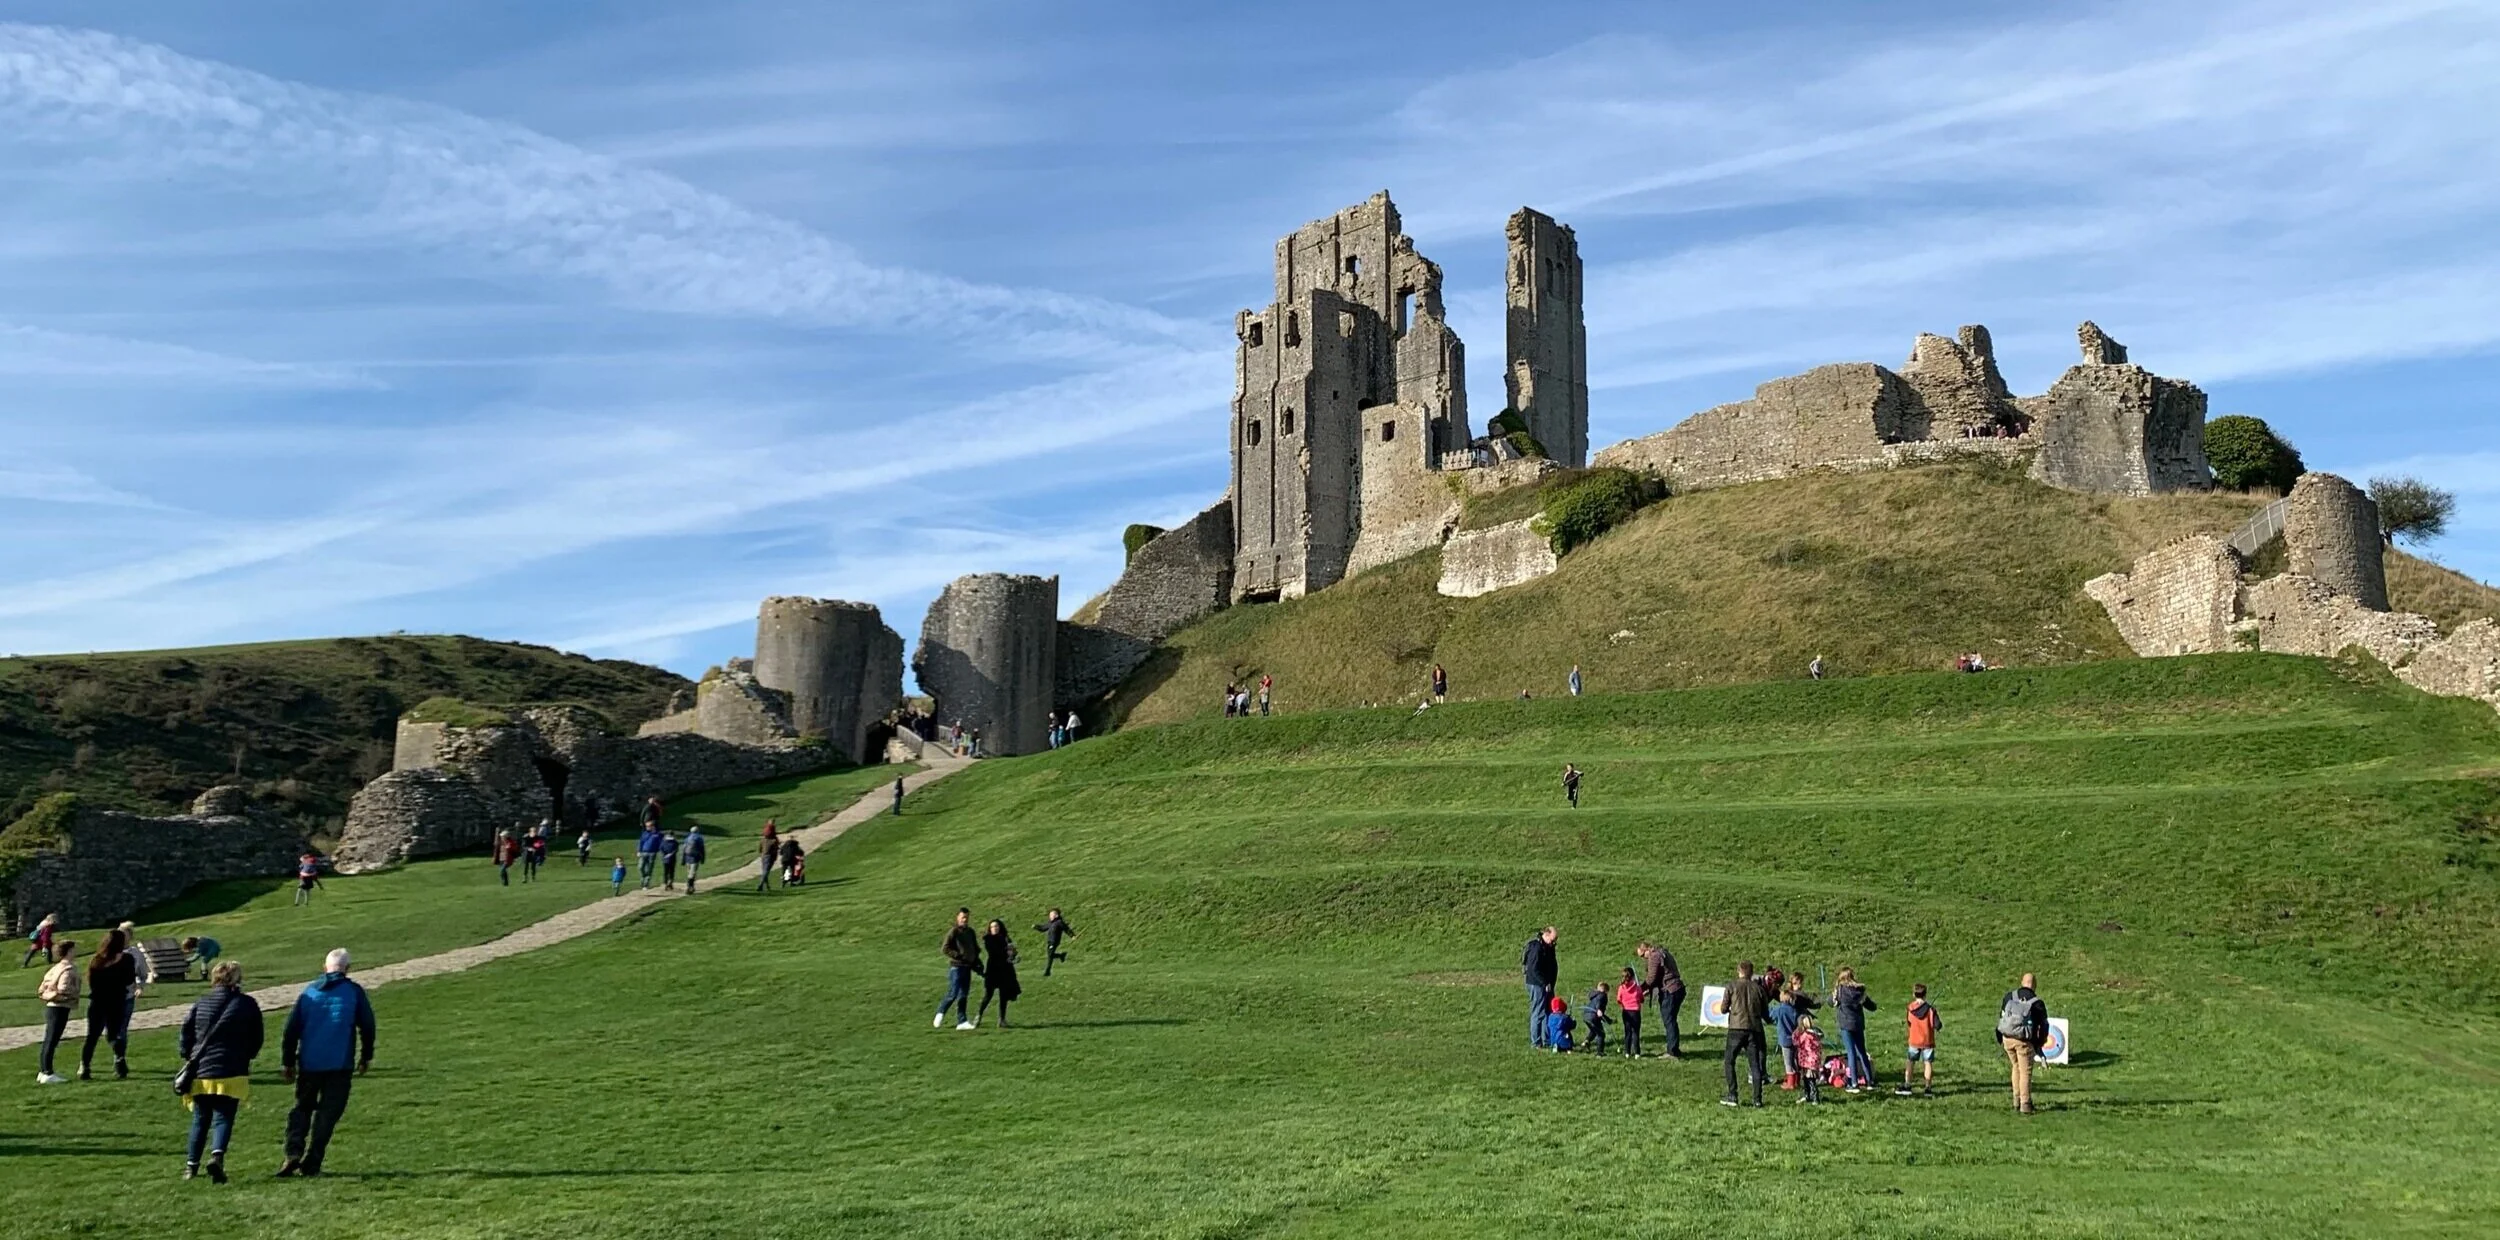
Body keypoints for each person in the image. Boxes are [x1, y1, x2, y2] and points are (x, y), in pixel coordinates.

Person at [279, 948, 376, 1177]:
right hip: (339, 1064)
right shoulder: (353, 992)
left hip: (309, 1062)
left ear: (324, 968)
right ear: (347, 969)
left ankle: (293, 1152)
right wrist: (366, 1056)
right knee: (328, 1114)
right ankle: (312, 1161)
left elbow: (291, 1030)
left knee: (302, 1108)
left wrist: (288, 1061)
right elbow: (368, 1026)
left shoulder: (309, 992)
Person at [177, 960, 264, 1183]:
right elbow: (257, 1036)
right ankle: (217, 1157)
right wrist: (248, 1055)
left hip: (202, 1068)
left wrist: (188, 1055)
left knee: (200, 1119)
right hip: (233, 1069)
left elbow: (186, 1031)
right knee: (224, 1117)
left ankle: (191, 1166)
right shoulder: (247, 1004)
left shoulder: (202, 1002)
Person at [80, 929, 138, 1080]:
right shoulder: (127, 959)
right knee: (114, 1034)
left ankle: (85, 1066)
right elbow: (130, 980)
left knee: (92, 1036)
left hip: (98, 1001)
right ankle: (119, 1059)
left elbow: (92, 983)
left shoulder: (97, 960)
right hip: (117, 1000)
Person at [1717, 960, 1771, 1108]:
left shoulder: (1731, 986)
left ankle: (1733, 1095)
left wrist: (1730, 1010)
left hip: (1736, 1028)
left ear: (1738, 970)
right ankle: (1757, 1099)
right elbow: (1765, 1013)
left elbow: (1723, 1008)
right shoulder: (1758, 989)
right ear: (1752, 973)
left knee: (1729, 1061)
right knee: (1755, 1065)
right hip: (1754, 1029)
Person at [1997, 973, 2049, 1115]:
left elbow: (2001, 1017)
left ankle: (2016, 1099)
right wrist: (2039, 1043)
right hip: (2024, 1042)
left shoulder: (2009, 996)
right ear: (2035, 985)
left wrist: (2000, 1038)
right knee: (2025, 1072)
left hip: (2007, 1038)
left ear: (2021, 982)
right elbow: (2044, 1026)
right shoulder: (2037, 1003)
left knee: (2016, 1067)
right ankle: (2025, 1104)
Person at [33, 938, 79, 1084]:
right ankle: (47, 1072)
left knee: (49, 1039)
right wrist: (67, 995)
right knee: (52, 1040)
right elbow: (64, 989)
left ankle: (43, 1070)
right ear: (69, 951)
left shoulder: (55, 968)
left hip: (51, 1007)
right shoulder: (67, 969)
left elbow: (42, 987)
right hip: (60, 1007)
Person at [1832, 967, 1878, 1091]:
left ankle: (1854, 1083)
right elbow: (1871, 1006)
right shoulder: (1860, 991)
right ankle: (1869, 1081)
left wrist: (1833, 996)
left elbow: (1831, 1003)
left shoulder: (1840, 991)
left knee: (1851, 1053)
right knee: (1862, 1052)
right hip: (1858, 1024)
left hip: (1846, 1025)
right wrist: (1874, 1005)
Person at [1639, 941, 1686, 1058]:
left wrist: (1640, 988)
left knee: (1669, 1021)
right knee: (1671, 1021)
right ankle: (1674, 1049)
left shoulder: (1654, 956)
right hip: (1676, 989)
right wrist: (1649, 990)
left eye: (1642, 955)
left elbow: (1651, 978)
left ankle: (1672, 1052)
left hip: (1670, 991)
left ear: (1646, 950)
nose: (1643, 959)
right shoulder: (1663, 952)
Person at [936, 909, 980, 1030]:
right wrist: (958, 955)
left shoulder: (970, 932)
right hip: (956, 966)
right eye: (962, 917)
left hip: (967, 967)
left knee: (963, 994)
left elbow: (975, 948)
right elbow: (945, 948)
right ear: (958, 918)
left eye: (966, 917)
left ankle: (962, 1021)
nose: (965, 919)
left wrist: (976, 961)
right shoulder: (954, 931)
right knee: (953, 993)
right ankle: (940, 1013)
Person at [1897, 983, 1942, 1097]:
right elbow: (1938, 1025)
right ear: (1925, 995)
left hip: (1914, 1040)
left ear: (1914, 994)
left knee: (1910, 1061)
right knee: (1928, 1063)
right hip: (1928, 1041)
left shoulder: (1910, 1008)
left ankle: (1907, 1085)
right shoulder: (1931, 1010)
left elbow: (1909, 1022)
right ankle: (1928, 1088)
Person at [976, 918, 1020, 1028]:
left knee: (1003, 995)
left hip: (1005, 969)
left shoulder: (1005, 938)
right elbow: (993, 951)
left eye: (996, 926)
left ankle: (1002, 1019)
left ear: (1000, 927)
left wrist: (1013, 955)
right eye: (992, 927)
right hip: (993, 969)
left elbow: (1011, 950)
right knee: (988, 994)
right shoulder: (988, 939)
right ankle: (979, 1016)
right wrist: (1006, 951)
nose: (994, 928)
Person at [1521, 926, 1559, 1048]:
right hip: (1537, 984)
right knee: (1538, 1012)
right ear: (1546, 934)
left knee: (1548, 1011)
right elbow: (1534, 969)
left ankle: (1547, 1040)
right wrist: (1544, 983)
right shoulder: (1536, 948)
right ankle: (1536, 1042)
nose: (1553, 943)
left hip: (1547, 984)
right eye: (1552, 940)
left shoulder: (1548, 947)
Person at [1770, 982, 1802, 1090]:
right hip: (1795, 1039)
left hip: (1785, 1039)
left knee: (1788, 1062)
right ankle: (1797, 1080)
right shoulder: (1794, 1010)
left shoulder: (1779, 1010)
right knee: (1795, 1061)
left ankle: (1790, 1083)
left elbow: (1771, 1016)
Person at [1792, 1013, 1827, 1105]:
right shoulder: (1814, 1033)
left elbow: (1796, 1042)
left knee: (1810, 1079)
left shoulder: (1805, 1035)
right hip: (1810, 1060)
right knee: (1806, 1079)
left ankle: (1815, 1097)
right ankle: (1807, 1095)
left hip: (1808, 1060)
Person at [1034, 908, 1075, 976]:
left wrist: (1072, 936)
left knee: (1050, 955)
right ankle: (1061, 955)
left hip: (1054, 941)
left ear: (1056, 915)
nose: (1050, 916)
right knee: (1050, 955)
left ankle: (1047, 971)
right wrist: (1036, 927)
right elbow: (1043, 928)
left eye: (1051, 915)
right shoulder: (1050, 923)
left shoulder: (1059, 922)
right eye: (1050, 915)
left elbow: (1067, 929)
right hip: (1049, 941)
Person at [1614, 966, 1643, 1058]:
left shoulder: (1621, 988)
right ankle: (1637, 1053)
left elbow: (1618, 999)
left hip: (1626, 1012)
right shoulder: (1637, 988)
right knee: (1636, 1032)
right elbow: (1641, 999)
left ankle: (1627, 1052)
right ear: (1633, 977)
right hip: (1635, 1012)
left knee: (1628, 1032)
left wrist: (1624, 1003)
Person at [1581, 981, 1610, 1056]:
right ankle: (1600, 1053)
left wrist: (1608, 1020)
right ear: (1605, 990)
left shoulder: (1594, 995)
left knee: (1594, 1031)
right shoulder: (1602, 995)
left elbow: (1601, 1015)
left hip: (1586, 1015)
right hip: (1593, 1016)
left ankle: (1586, 1042)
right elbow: (1599, 1003)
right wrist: (1598, 1009)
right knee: (1601, 1034)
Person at [635, 820, 661, 891]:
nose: (647, 827)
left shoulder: (657, 834)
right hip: (643, 852)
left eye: (649, 826)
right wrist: (639, 851)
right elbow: (641, 842)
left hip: (652, 853)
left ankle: (646, 883)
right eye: (646, 826)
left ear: (653, 826)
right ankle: (643, 877)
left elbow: (660, 843)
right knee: (640, 867)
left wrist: (658, 850)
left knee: (649, 868)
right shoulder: (644, 833)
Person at [682, 825, 707, 894]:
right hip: (695, 857)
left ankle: (689, 885)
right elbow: (702, 849)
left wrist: (683, 859)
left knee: (689, 872)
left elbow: (684, 849)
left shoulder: (688, 838)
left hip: (687, 857)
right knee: (692, 873)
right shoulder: (699, 838)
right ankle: (690, 887)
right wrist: (703, 858)